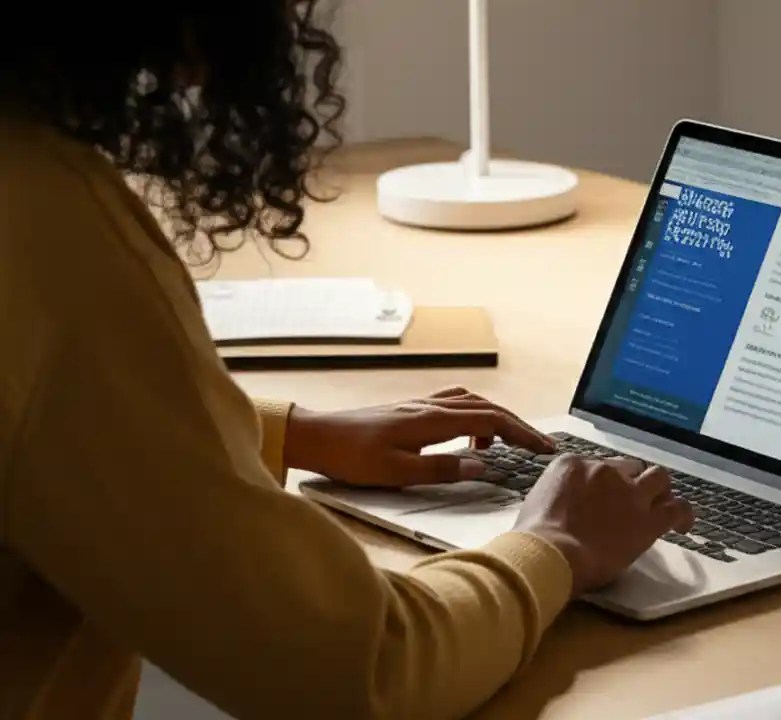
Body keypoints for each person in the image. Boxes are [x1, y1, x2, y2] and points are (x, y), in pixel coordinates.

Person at [0, 3, 693, 719]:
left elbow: (51, 425)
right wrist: (555, 546)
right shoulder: (51, 231)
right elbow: (364, 671)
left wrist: (287, 434)